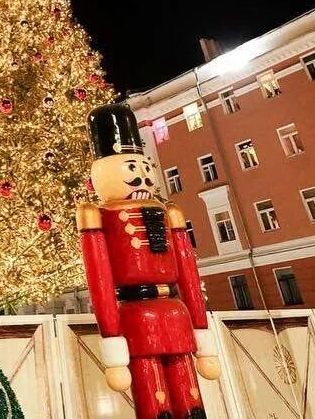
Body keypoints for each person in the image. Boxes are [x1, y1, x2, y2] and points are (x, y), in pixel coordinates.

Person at [78, 102, 220, 419]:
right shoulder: (97, 216)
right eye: (132, 171)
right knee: (153, 397)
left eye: (145, 170)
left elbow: (189, 275)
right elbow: (99, 279)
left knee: (191, 397)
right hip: (136, 317)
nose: (142, 179)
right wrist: (112, 343)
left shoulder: (169, 212)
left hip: (175, 313)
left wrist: (201, 329)